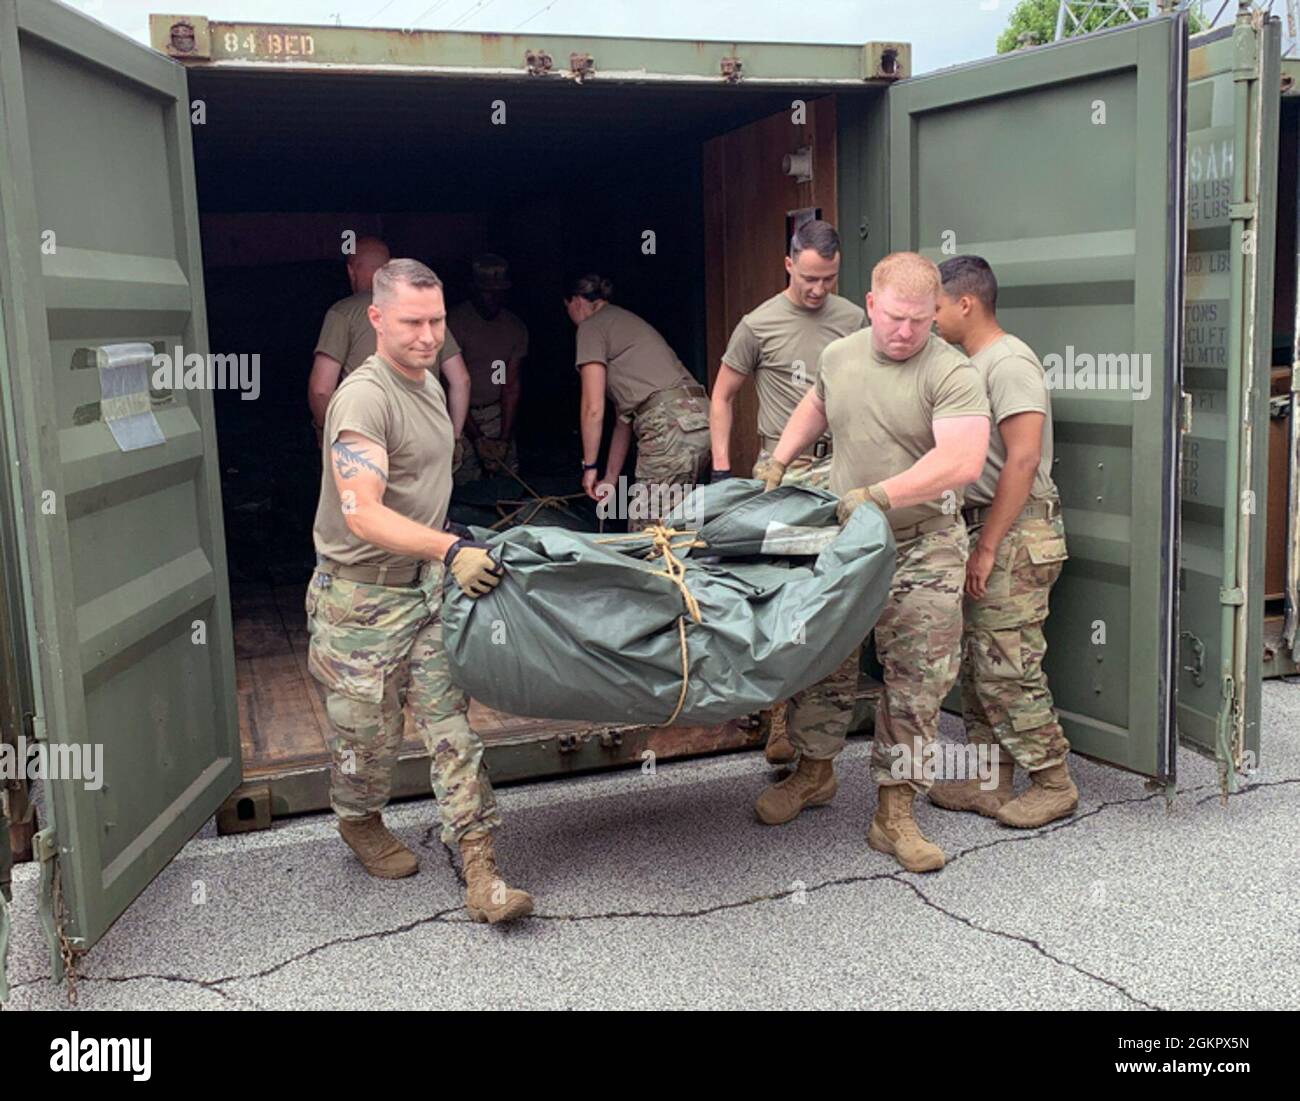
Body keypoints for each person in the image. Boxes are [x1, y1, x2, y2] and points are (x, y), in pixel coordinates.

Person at [307, 258, 532, 923]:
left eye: (436, 320)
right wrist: (451, 548)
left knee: (450, 727)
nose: (429, 335)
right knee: (366, 746)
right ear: (376, 318)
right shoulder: (362, 397)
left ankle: (481, 863)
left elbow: (421, 489)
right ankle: (358, 820)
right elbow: (363, 512)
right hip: (359, 601)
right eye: (413, 322)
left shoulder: (431, 385)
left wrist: (448, 532)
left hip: (424, 588)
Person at [756, 251, 990, 873]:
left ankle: (895, 812)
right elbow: (818, 403)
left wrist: (883, 495)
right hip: (849, 540)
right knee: (822, 660)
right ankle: (813, 773)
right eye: (894, 318)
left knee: (916, 683)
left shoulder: (954, 372)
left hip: (923, 542)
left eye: (920, 320)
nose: (906, 332)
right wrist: (780, 459)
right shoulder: (840, 355)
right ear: (869, 305)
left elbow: (963, 461)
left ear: (934, 313)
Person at [711, 219, 866, 766]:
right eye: (808, 278)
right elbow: (723, 395)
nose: (818, 289)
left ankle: (820, 727)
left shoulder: (854, 320)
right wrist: (723, 472)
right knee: (787, 597)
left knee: (836, 594)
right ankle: (779, 714)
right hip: (785, 477)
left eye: (828, 279)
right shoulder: (758, 324)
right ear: (788, 264)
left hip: (842, 475)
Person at [930, 255, 1076, 827]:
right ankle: (992, 781)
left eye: (937, 307)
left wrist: (988, 545)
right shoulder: (973, 362)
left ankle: (1053, 780)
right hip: (987, 526)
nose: (932, 318)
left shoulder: (1010, 362)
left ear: (965, 303)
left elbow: (1023, 458)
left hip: (1015, 532)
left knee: (1008, 665)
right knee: (979, 663)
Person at [566, 273, 710, 523]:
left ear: (577, 302)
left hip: (668, 428)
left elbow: (592, 407)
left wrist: (589, 467)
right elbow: (626, 418)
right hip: (699, 423)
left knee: (649, 532)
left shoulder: (591, 326)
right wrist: (610, 479)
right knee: (678, 524)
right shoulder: (626, 322)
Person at [307, 236, 471, 453]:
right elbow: (461, 380)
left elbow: (320, 390)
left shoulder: (342, 313)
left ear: (351, 271)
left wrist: (333, 439)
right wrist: (454, 438)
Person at [449, 254, 528, 483]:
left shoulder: (514, 328)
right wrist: (476, 438)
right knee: (463, 482)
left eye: (499, 292)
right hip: (459, 416)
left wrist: (503, 437)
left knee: (508, 480)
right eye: (487, 291)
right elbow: (448, 385)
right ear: (473, 288)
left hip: (495, 413)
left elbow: (510, 385)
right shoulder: (455, 323)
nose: (493, 298)